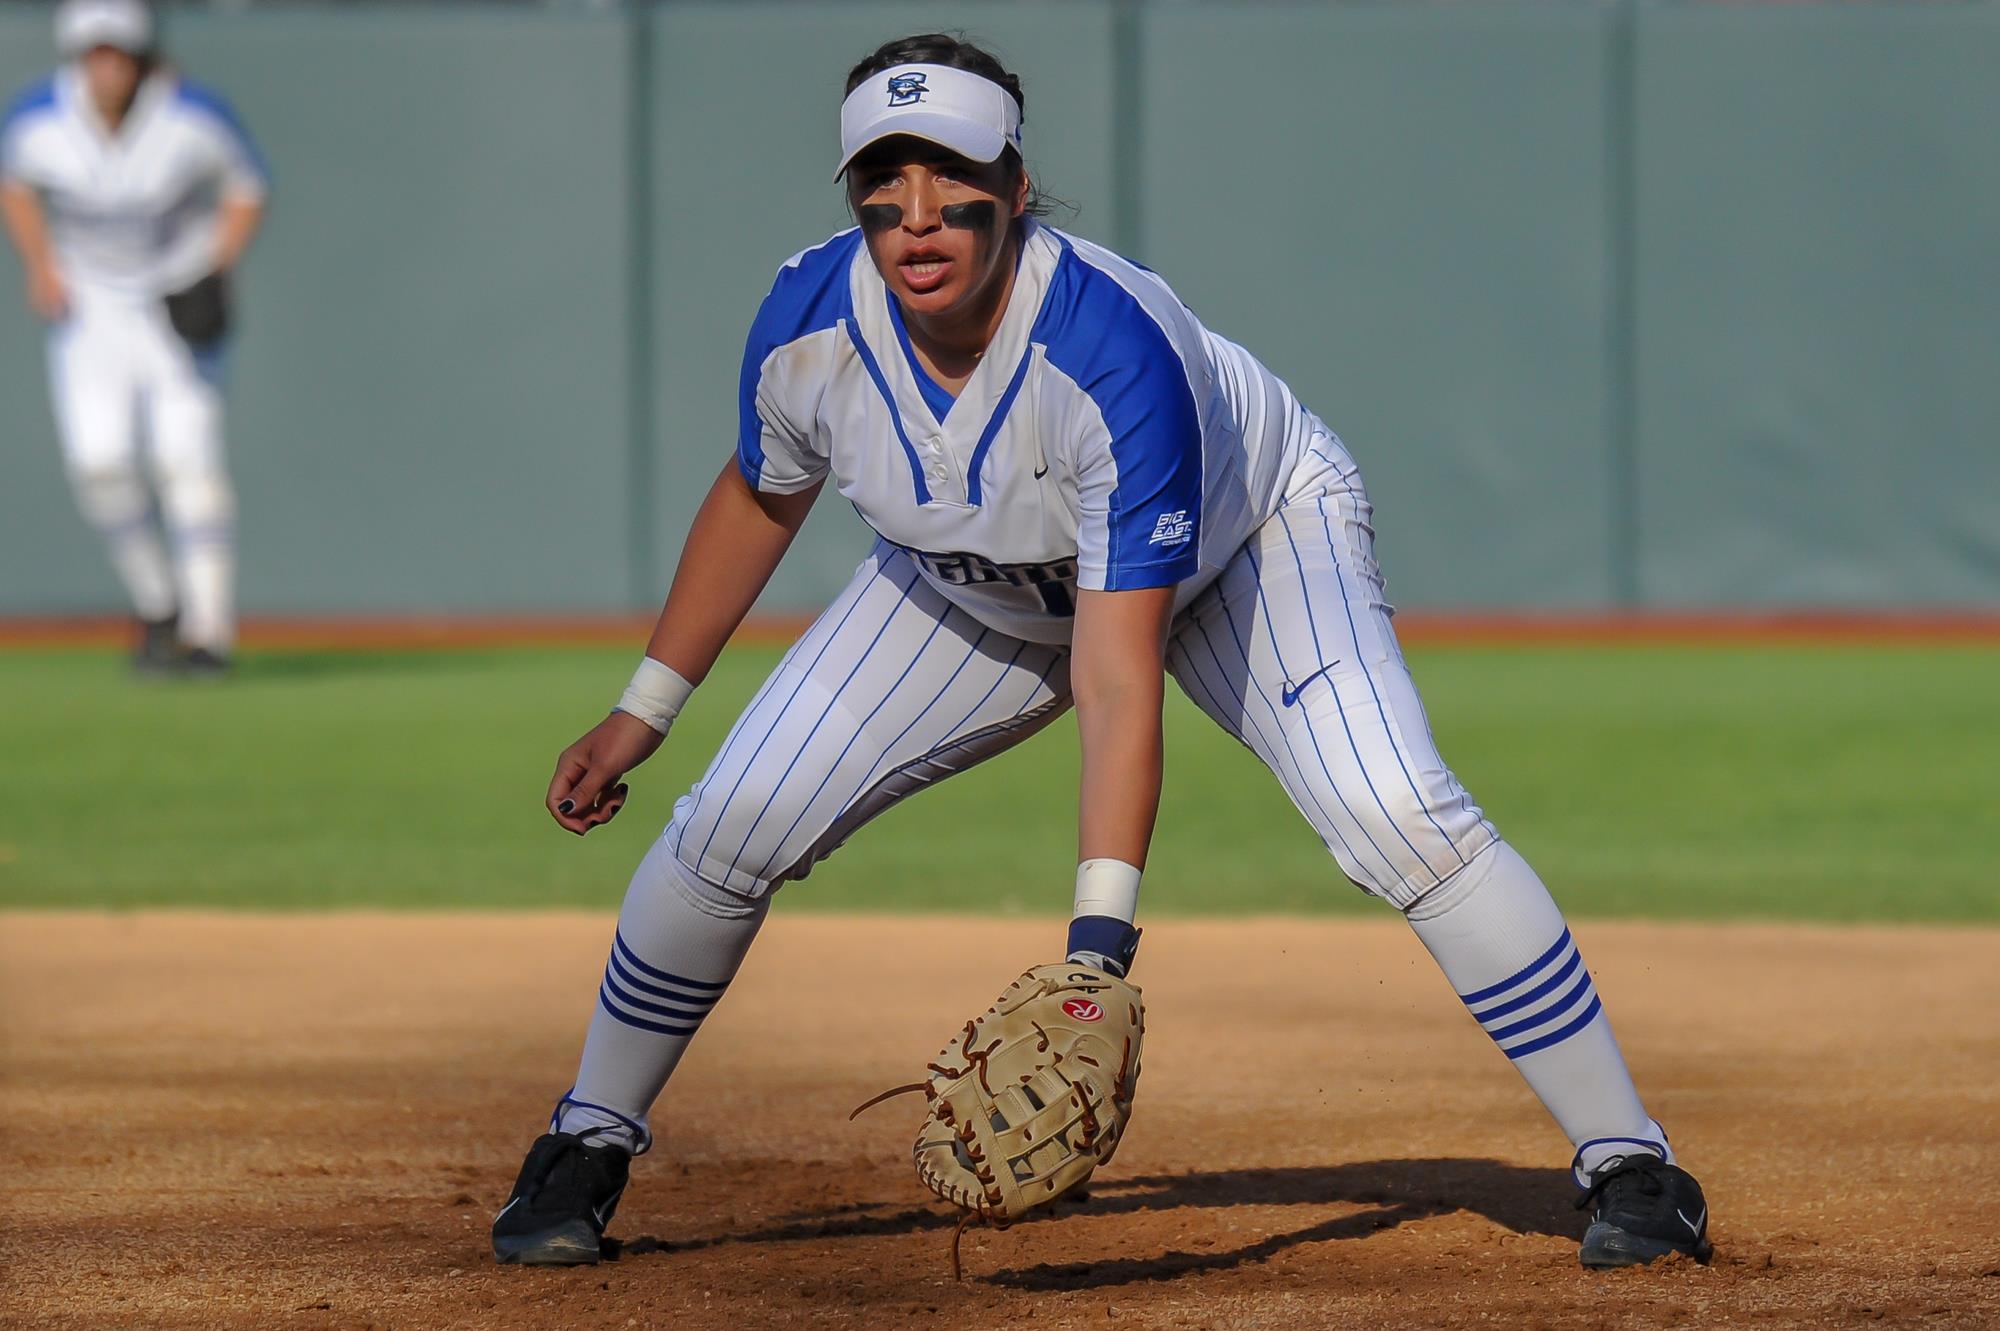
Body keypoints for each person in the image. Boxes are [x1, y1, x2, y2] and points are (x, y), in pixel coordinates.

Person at [492, 33, 1712, 1272]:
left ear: (1014, 189)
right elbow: (763, 492)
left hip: (1245, 544)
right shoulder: (807, 323)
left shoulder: (1105, 350)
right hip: (976, 586)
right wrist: (642, 709)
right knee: (730, 822)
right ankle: (586, 1136)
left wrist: (1096, 951)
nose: (916, 215)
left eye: (951, 177)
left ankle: (1629, 1157)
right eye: (884, 177)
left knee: (1393, 811)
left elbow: (1117, 670)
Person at [1, 0, 268, 674]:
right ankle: (159, 604)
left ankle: (209, 633)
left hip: (174, 300)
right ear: (76, 58)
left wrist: (216, 268)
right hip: (91, 311)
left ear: (141, 54)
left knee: (190, 466)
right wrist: (41, 266)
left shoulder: (190, 113)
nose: (107, 67)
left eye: (118, 52)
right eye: (94, 53)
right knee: (102, 465)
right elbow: (15, 186)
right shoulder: (39, 119)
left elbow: (247, 185)